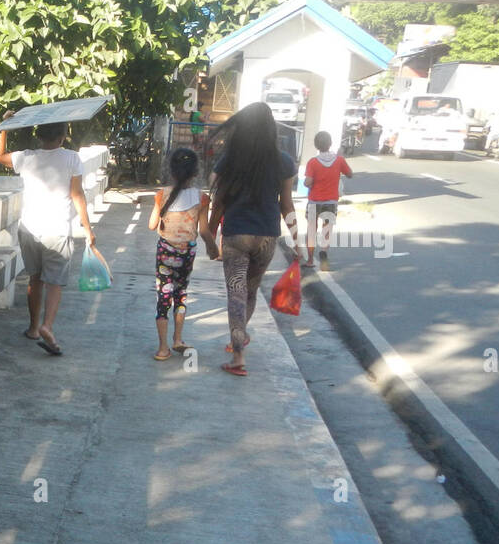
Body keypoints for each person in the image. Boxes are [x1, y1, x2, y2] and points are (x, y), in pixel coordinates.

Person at [201, 102, 298, 378]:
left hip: (236, 235)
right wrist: (298, 239)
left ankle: (238, 354)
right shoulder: (284, 162)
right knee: (251, 291)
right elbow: (287, 205)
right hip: (267, 236)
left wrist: (209, 238)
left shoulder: (230, 160)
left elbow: (218, 202)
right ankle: (239, 337)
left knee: (236, 292)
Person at [0, 113, 95, 356]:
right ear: (62, 136)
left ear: (38, 136)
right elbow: (77, 195)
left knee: (35, 279)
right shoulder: (72, 158)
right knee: (55, 283)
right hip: (57, 229)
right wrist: (88, 229)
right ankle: (47, 326)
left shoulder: (26, 158)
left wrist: (5, 127)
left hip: (29, 229)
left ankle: (32, 328)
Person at [148, 148, 208, 361]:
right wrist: (213, 247)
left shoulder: (161, 195)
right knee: (180, 294)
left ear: (171, 171)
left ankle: (163, 348)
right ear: (195, 172)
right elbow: (204, 230)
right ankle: (178, 339)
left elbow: (152, 225)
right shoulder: (202, 198)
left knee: (163, 297)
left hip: (165, 252)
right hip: (187, 254)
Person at [299, 131, 353, 268]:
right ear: (330, 144)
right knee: (327, 228)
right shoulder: (339, 160)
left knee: (311, 229)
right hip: (331, 201)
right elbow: (350, 174)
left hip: (314, 201)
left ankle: (310, 260)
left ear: (316, 145)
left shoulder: (313, 162)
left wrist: (306, 182)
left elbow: (308, 182)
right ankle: (323, 250)